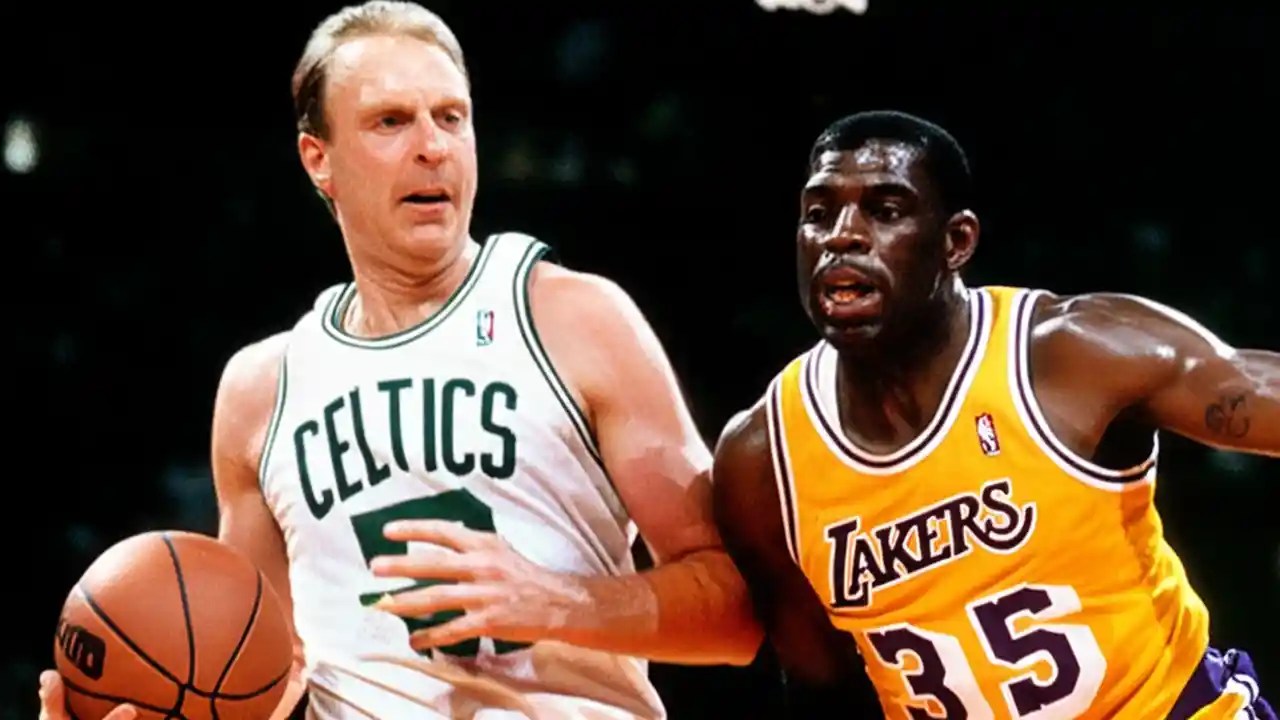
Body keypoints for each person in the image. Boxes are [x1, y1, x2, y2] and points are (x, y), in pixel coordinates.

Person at [38, 2, 763, 718]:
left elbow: (737, 610)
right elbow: (253, 683)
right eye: (392, 121)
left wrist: (551, 599)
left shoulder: (575, 318)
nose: (433, 146)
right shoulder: (260, 390)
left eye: (451, 117)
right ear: (317, 159)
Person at [710, 109, 1277, 719]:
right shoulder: (762, 460)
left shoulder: (1069, 354)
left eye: (885, 210)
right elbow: (824, 690)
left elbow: (1247, 386)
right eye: (818, 214)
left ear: (956, 241)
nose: (842, 235)